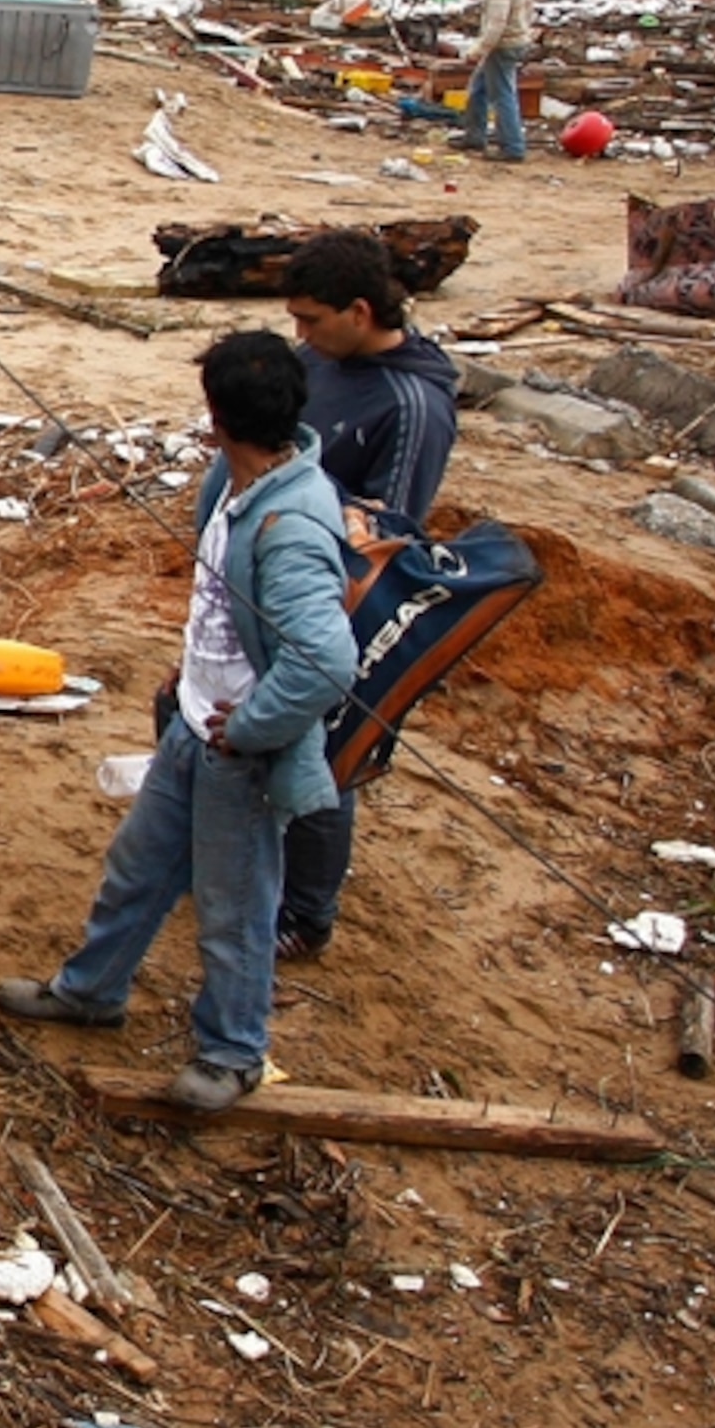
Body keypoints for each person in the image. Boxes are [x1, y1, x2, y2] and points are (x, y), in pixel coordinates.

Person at [0, 332, 357, 1111]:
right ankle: (90, 991)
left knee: (234, 908)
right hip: (195, 725)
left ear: (218, 416)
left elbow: (326, 662)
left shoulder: (290, 524)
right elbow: (225, 600)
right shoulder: (233, 482)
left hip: (240, 750)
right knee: (139, 868)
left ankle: (232, 1055)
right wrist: (193, 670)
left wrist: (251, 724)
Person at [277, 229, 460, 960]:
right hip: (270, 572)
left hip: (338, 598)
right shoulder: (313, 361)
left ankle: (305, 914)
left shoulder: (412, 404)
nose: (302, 335)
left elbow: (390, 530)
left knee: (319, 750)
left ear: (360, 310)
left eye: (314, 320)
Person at [455, 0, 535, 162]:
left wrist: (478, 50)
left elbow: (496, 25)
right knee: (478, 89)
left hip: (502, 45)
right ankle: (474, 136)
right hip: (518, 39)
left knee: (503, 96)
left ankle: (513, 147)